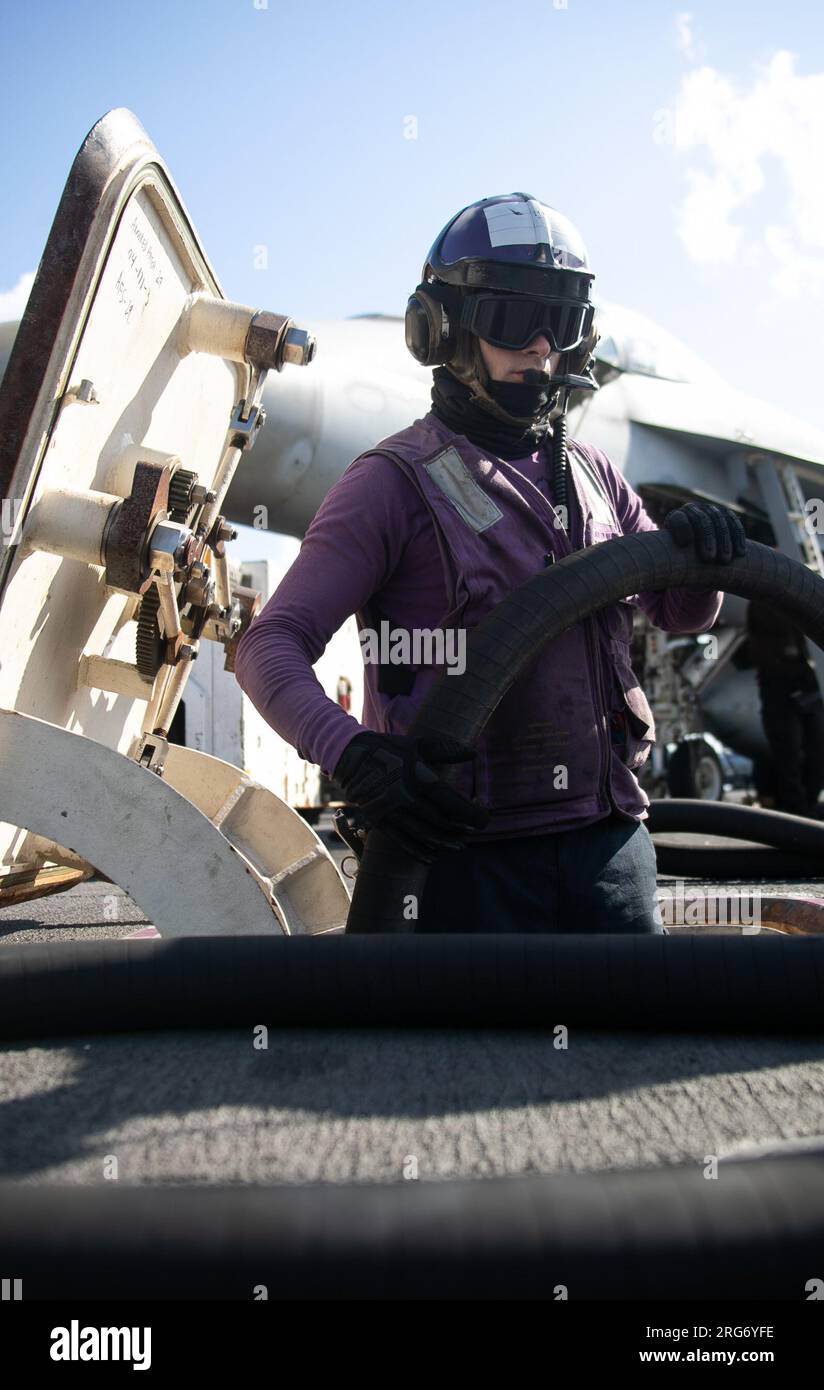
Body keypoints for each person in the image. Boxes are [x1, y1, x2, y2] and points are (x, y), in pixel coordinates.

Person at [234, 192, 746, 933]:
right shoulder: (391, 482)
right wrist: (357, 757)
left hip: (609, 849)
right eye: (514, 320)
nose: (541, 347)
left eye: (561, 323)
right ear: (443, 330)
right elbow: (268, 645)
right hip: (463, 862)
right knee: (461, 1053)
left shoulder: (598, 476)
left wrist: (705, 563)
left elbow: (677, 611)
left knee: (633, 1048)